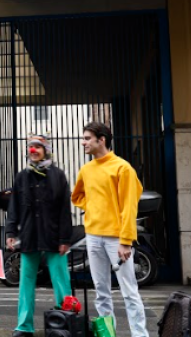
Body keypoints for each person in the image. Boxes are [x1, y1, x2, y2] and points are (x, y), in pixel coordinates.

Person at [71, 122, 147, 337]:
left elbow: (129, 207)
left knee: (129, 291)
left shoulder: (122, 168)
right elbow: (77, 196)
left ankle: (140, 335)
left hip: (117, 239)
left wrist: (126, 240)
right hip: (93, 237)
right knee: (101, 292)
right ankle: (108, 334)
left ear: (101, 139)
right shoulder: (86, 170)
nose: (83, 142)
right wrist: (94, 206)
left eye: (87, 138)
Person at [6, 135, 74, 337]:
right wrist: (11, 232)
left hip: (54, 237)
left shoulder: (58, 175)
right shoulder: (21, 177)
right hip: (29, 236)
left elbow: (64, 210)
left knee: (61, 280)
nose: (33, 150)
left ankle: (65, 321)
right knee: (26, 282)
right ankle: (24, 327)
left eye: (38, 147)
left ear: (46, 150)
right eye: (30, 147)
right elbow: (14, 207)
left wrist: (64, 239)